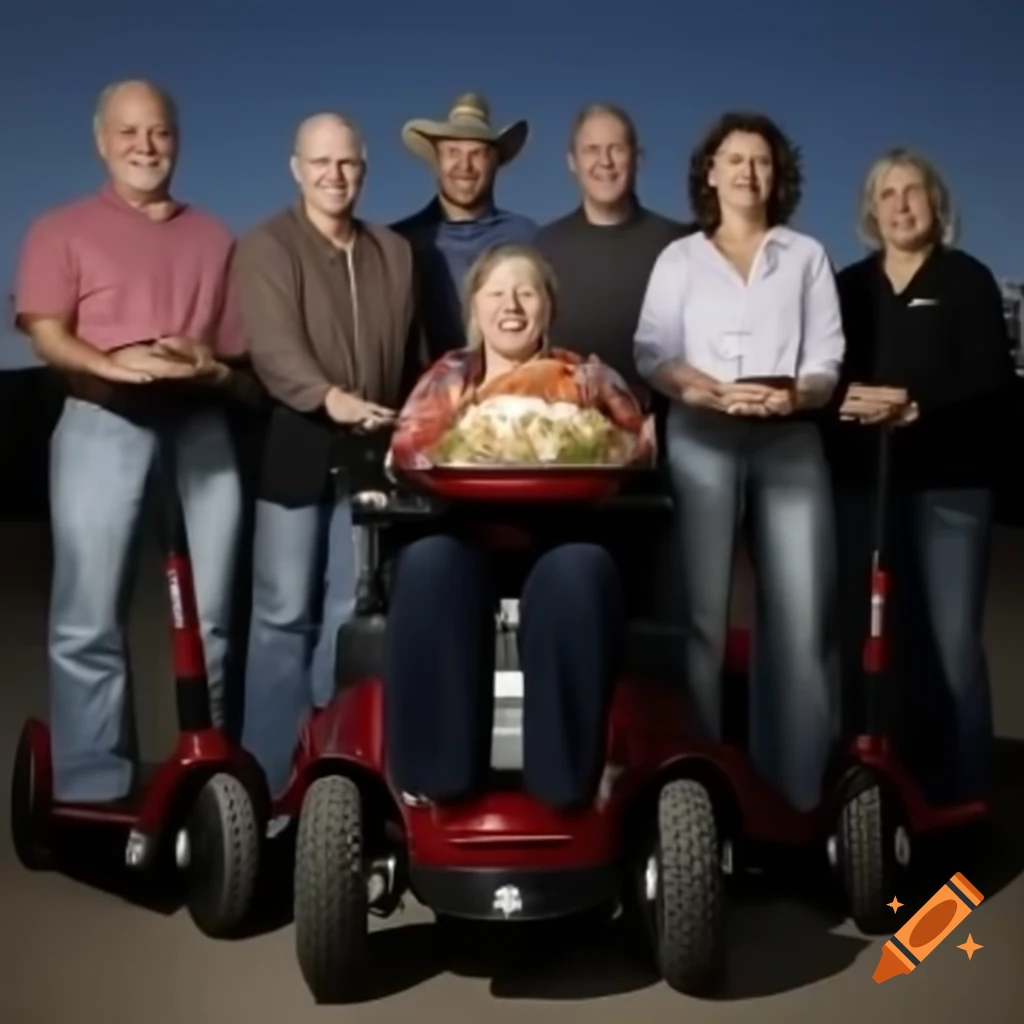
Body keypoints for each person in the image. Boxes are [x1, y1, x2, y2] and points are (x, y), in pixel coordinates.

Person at [14, 79, 246, 803]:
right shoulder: (60, 228)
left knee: (210, 612)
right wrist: (112, 363)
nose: (146, 147)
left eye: (160, 133)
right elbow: (47, 329)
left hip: (198, 423)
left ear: (177, 140)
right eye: (130, 133)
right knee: (88, 613)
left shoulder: (214, 236)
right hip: (101, 417)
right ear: (101, 140)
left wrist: (207, 365)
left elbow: (234, 353)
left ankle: (206, 772)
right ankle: (92, 783)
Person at [386, 244, 653, 810]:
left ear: (548, 308)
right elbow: (408, 449)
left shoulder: (585, 377)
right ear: (475, 308)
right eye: (496, 293)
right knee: (431, 567)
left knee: (579, 574)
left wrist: (586, 444)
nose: (511, 305)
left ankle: (564, 785)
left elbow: (635, 445)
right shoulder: (449, 377)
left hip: (564, 533)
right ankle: (437, 780)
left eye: (526, 292)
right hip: (463, 531)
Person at [633, 112, 846, 813]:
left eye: (762, 161)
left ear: (777, 176)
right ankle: (693, 791)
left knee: (802, 614)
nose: (749, 172)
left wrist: (794, 397)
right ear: (711, 173)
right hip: (700, 433)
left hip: (789, 438)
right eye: (736, 159)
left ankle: (797, 791)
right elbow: (653, 352)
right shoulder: (680, 259)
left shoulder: (807, 256)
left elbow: (825, 361)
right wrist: (698, 387)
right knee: (699, 615)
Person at [232, 114, 420, 803]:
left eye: (346, 164)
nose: (334, 176)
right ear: (295, 168)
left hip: (373, 453)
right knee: (283, 616)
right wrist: (331, 398)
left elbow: (412, 352)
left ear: (364, 167)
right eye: (320, 163)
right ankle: (265, 781)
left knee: (352, 613)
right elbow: (274, 352)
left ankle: (332, 774)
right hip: (296, 446)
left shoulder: (394, 252)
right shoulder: (264, 247)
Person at [829, 149, 1017, 803]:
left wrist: (913, 402)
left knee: (951, 647)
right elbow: (828, 377)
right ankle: (874, 785)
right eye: (888, 194)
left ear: (937, 203)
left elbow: (990, 377)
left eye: (914, 192)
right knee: (873, 638)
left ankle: (966, 792)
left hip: (949, 489)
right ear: (870, 210)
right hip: (863, 486)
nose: (902, 205)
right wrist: (848, 400)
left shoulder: (967, 279)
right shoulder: (849, 286)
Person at [536, 103, 693, 391]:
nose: (605, 161)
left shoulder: (679, 245)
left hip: (660, 424)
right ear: (572, 161)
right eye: (591, 150)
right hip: (567, 423)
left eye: (617, 149)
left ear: (638, 159)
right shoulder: (542, 249)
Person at [391, 93, 537, 359]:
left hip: (511, 394)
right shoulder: (400, 243)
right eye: (452, 152)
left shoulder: (529, 239)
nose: (464, 165)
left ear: (496, 161)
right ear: (436, 160)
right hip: (419, 396)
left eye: (477, 153)